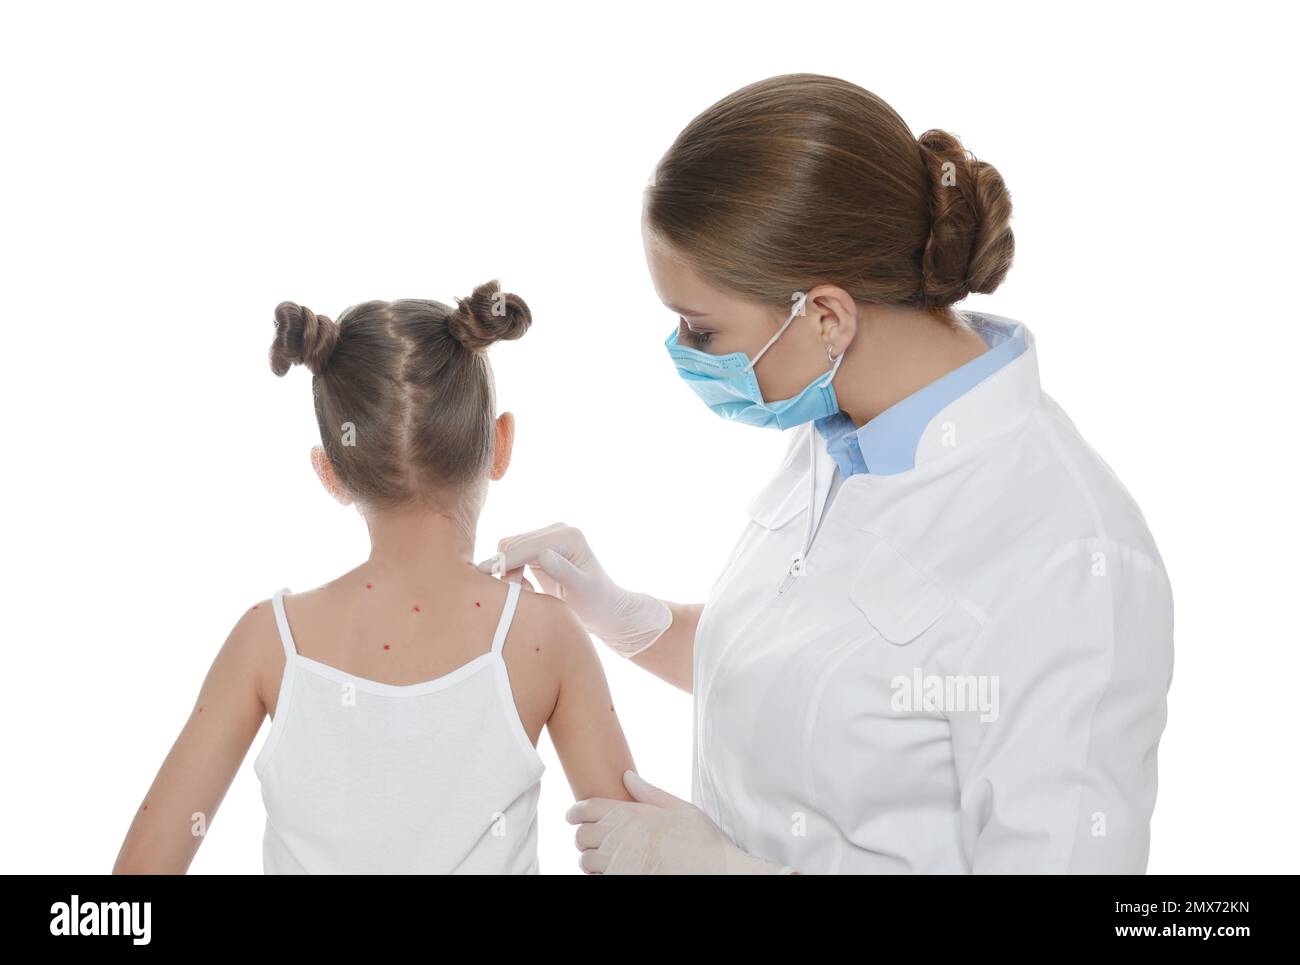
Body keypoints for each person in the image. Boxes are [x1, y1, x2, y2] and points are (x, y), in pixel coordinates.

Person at [481, 74, 1175, 874]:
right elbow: (827, 674)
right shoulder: (841, 426)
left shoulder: (1070, 560)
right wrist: (631, 619)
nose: (683, 354)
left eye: (701, 330)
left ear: (825, 317)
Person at [113, 280, 635, 874]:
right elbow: (636, 855)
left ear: (330, 472)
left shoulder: (268, 641)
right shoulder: (546, 637)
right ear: (500, 443)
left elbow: (140, 874)